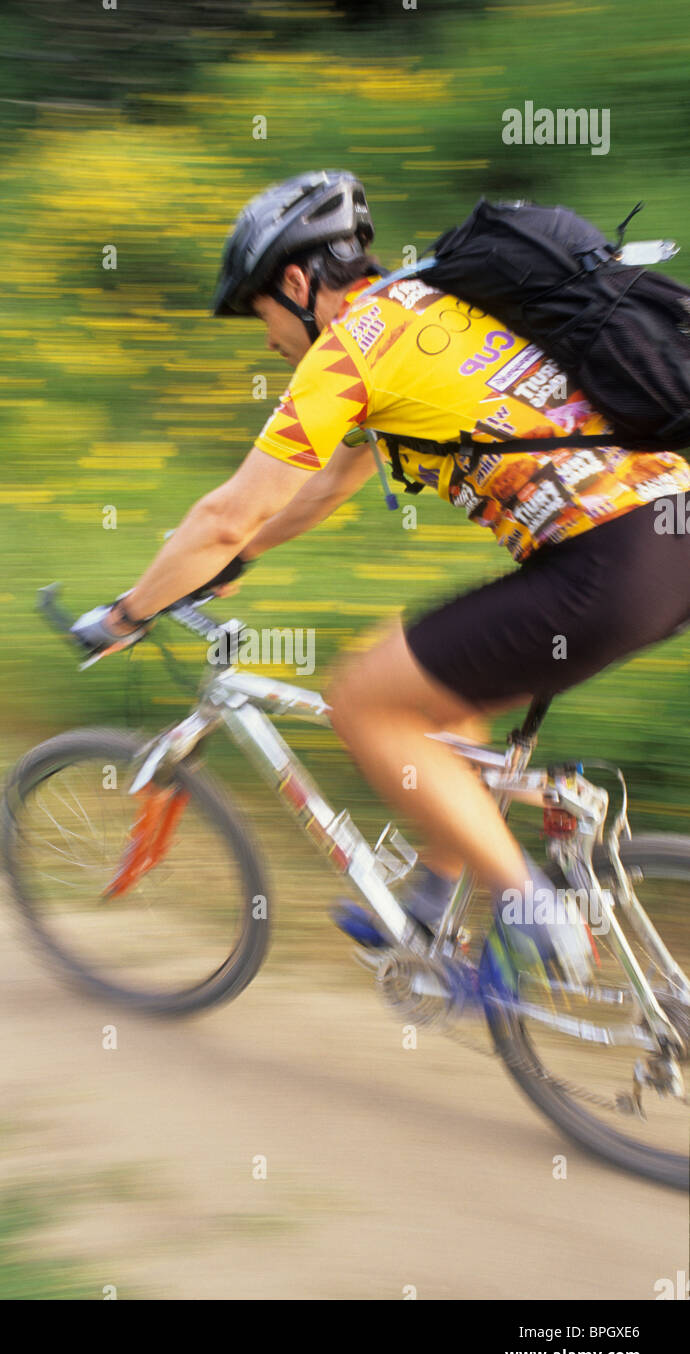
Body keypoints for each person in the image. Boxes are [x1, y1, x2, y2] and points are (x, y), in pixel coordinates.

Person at [75, 170, 690, 986]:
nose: (265, 340)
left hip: (606, 564)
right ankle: (436, 897)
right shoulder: (425, 305)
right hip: (667, 541)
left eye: (258, 313)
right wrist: (238, 565)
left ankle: (535, 913)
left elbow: (228, 511)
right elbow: (323, 486)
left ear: (295, 284)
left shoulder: (349, 349)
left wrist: (125, 614)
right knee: (433, 690)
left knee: (365, 698)